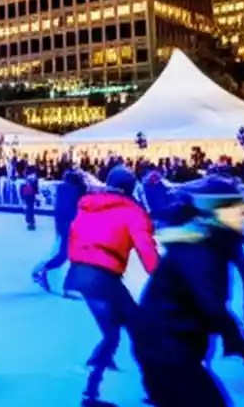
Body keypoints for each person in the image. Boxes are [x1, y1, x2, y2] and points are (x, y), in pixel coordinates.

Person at [132, 177, 244, 407]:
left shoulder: (210, 244)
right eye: (237, 207)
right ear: (216, 212)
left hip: (167, 343)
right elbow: (211, 306)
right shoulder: (199, 250)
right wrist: (243, 348)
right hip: (164, 347)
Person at [65, 166, 159, 407]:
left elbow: (74, 236)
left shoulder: (87, 204)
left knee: (112, 333)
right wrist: (164, 278)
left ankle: (90, 393)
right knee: (140, 331)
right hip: (103, 277)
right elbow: (147, 251)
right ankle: (156, 389)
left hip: (80, 273)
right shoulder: (132, 211)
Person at [32, 169, 88, 295]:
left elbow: (60, 211)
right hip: (72, 228)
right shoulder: (79, 190)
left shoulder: (62, 189)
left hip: (64, 227)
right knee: (66, 255)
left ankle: (43, 271)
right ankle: (43, 271)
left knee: (68, 255)